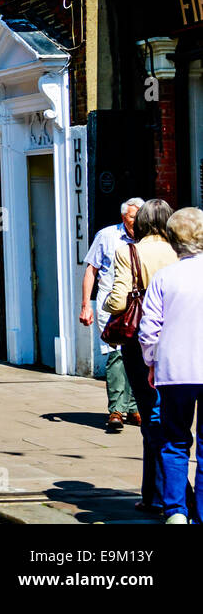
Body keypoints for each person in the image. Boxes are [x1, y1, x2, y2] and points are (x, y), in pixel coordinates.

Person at [104, 198, 177, 514]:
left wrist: (106, 305)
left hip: (140, 342)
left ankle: (159, 496)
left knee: (151, 415)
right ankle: (157, 493)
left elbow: (119, 301)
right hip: (177, 340)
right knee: (170, 417)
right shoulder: (180, 252)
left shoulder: (129, 251)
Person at [138, 206, 203, 525]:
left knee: (175, 441)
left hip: (174, 370)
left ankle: (176, 511)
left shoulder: (165, 277)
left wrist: (151, 361)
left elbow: (148, 328)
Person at [83, 197, 144, 431]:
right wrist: (85, 305)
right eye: (131, 219)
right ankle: (116, 410)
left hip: (139, 305)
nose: (135, 224)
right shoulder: (107, 236)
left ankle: (134, 407)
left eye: (139, 219)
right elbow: (91, 270)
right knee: (116, 354)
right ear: (123, 217)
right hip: (110, 304)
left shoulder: (147, 237)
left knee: (137, 353)